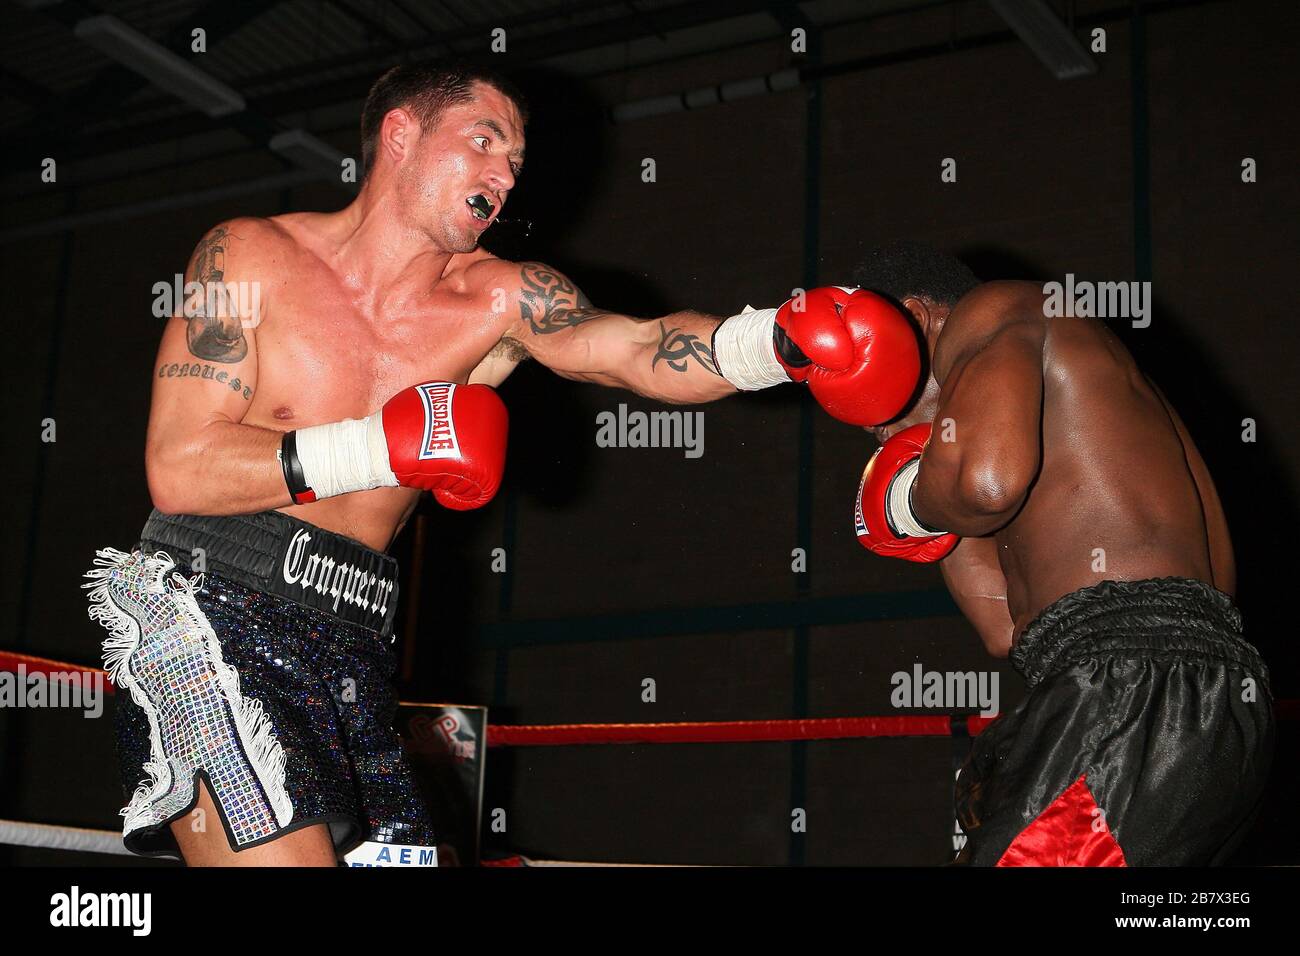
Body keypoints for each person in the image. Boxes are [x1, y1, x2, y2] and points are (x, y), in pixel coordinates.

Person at [84, 63, 917, 866]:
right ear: (401, 134)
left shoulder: (503, 298)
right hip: (208, 608)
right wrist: (377, 447)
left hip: (356, 640)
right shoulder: (248, 254)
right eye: (484, 142)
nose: (506, 176)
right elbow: (182, 466)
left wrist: (771, 342)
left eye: (516, 161)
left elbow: (630, 348)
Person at [811, 241, 1272, 865]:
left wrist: (905, 506)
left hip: (1131, 694)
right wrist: (922, 470)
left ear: (915, 318)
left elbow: (984, 486)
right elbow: (1003, 628)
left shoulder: (996, 308)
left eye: (868, 386)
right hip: (1187, 709)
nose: (873, 424)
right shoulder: (1047, 413)